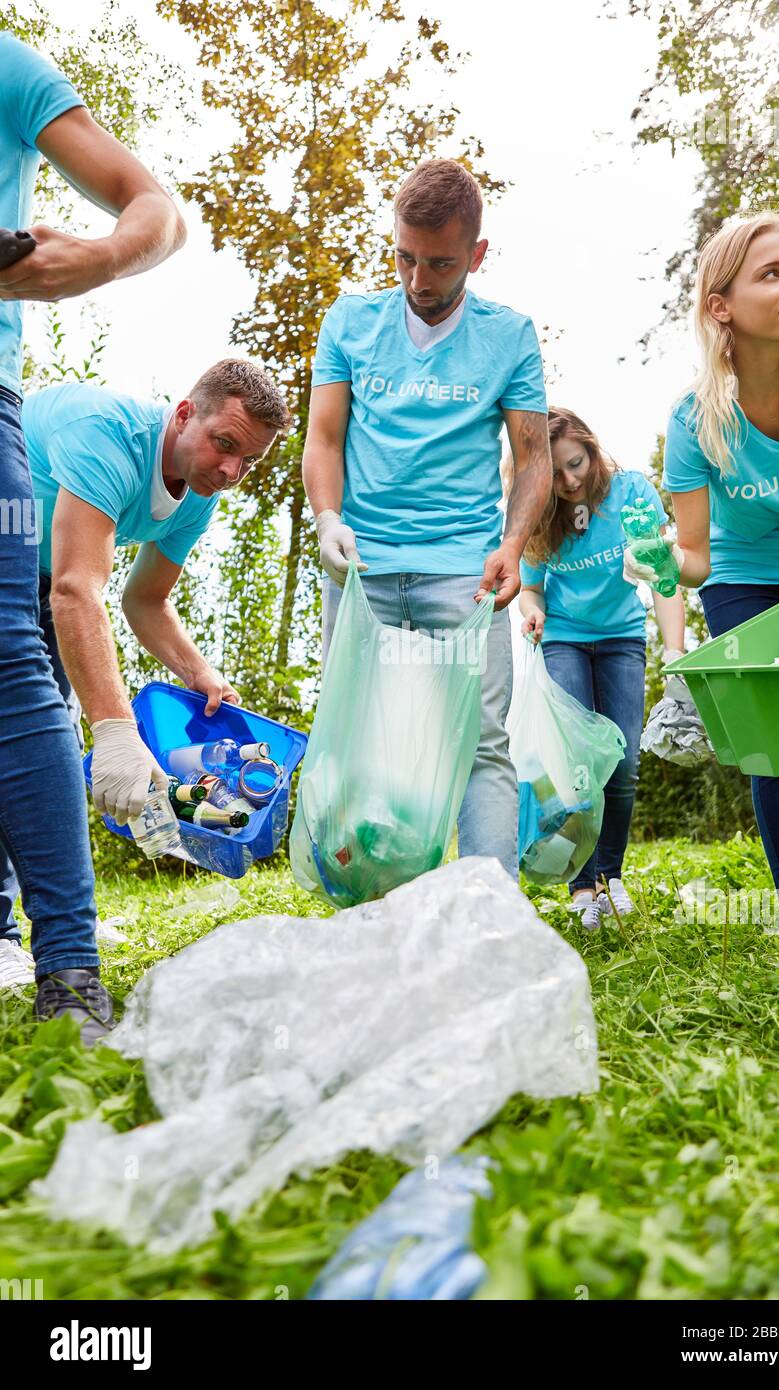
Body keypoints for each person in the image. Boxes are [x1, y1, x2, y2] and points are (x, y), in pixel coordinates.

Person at [0, 360, 286, 1031]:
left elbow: (145, 599)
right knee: (20, 739)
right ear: (185, 413)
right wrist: (117, 729)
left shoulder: (198, 496)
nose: (232, 471)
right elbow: (79, 588)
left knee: (27, 755)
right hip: (21, 562)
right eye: (225, 444)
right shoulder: (109, 437)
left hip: (43, 579)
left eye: (250, 459)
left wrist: (199, 672)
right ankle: (8, 936)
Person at [0, 32, 186, 1039]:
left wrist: (104, 256)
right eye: (231, 452)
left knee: (10, 656)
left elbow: (156, 210)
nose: (230, 474)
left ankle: (67, 967)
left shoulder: (9, 69)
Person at [302, 159, 552, 879]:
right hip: (362, 568)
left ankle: (487, 911)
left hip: (464, 573)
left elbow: (532, 459)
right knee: (354, 740)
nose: (419, 279)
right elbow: (324, 439)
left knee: (481, 744)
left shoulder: (509, 336)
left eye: (440, 263)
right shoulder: (351, 322)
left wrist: (512, 545)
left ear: (476, 254)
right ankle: (364, 897)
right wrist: (326, 521)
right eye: (405, 257)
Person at [637, 210, 779, 984]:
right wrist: (663, 565)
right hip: (739, 580)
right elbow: (695, 554)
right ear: (721, 304)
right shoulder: (693, 418)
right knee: (775, 751)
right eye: (772, 273)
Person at [513, 408, 686, 925]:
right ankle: (583, 887)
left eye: (576, 463)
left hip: (621, 640)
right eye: (556, 473)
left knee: (624, 766)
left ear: (591, 449)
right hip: (564, 639)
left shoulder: (632, 494)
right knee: (579, 767)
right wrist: (534, 611)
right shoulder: (541, 515)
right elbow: (529, 589)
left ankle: (611, 878)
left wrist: (675, 653)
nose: (569, 481)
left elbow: (663, 575)